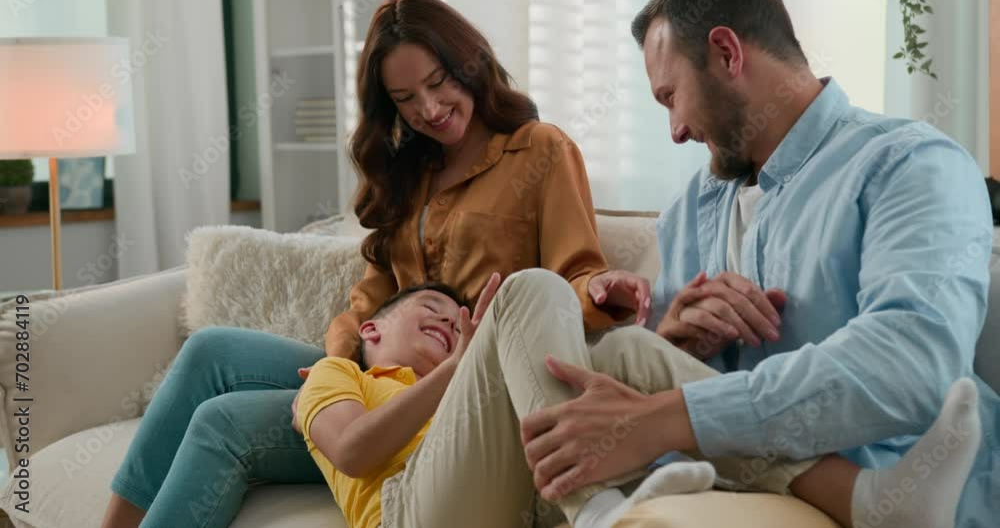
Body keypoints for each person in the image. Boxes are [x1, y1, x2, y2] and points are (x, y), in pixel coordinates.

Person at [100, 0, 649, 528]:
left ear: (470, 65)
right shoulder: (409, 169)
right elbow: (373, 295)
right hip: (376, 369)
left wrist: (604, 293)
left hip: (455, 392)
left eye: (438, 83)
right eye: (406, 99)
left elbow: (571, 276)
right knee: (209, 350)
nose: (429, 109)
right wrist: (337, 365)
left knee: (222, 424)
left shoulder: (540, 151)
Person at [512, 0, 998, 528]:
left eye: (671, 96)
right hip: (723, 489)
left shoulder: (907, 164)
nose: (674, 130)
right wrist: (674, 343)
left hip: (904, 482)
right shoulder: (691, 208)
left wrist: (676, 416)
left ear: (726, 53)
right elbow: (645, 388)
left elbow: (916, 363)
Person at [300, 268, 980, 528]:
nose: (449, 319)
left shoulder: (475, 402)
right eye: (429, 307)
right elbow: (355, 451)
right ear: (371, 328)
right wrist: (467, 359)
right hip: (411, 514)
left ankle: (868, 500)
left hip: (518, 499)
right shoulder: (337, 375)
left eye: (456, 314)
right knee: (531, 288)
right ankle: (600, 512)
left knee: (623, 351)